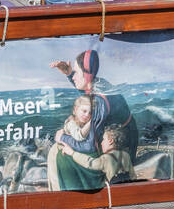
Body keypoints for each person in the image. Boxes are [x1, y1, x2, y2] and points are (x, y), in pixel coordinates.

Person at [47, 50, 139, 190]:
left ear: (87, 75)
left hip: (119, 147)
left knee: (58, 152)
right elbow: (86, 89)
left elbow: (90, 146)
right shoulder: (99, 84)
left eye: (76, 73)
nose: (74, 78)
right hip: (121, 136)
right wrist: (69, 73)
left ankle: (64, 195)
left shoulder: (99, 103)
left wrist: (63, 138)